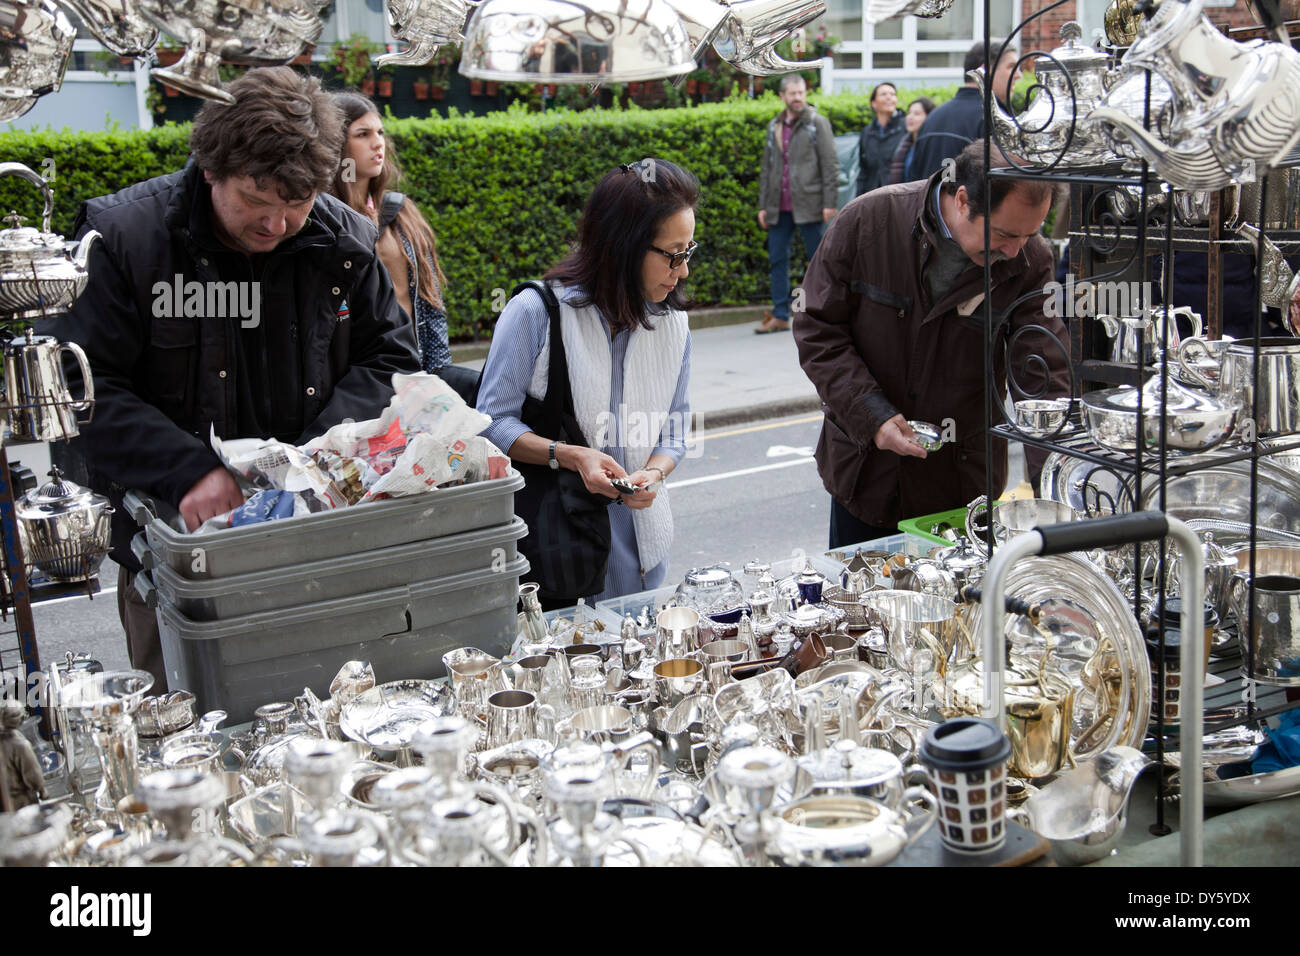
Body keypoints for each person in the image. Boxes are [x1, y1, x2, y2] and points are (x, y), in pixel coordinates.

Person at [48, 68, 421, 691]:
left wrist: (311, 456)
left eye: (296, 206)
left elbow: (394, 360)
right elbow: (78, 387)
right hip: (180, 549)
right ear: (212, 167)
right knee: (190, 724)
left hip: (321, 537)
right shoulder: (124, 238)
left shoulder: (343, 238)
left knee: (335, 712)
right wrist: (187, 469)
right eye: (256, 202)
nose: (276, 226)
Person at [794, 140, 1069, 548]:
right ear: (962, 199)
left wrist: (1054, 494)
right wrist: (873, 417)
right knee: (858, 606)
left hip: (962, 490)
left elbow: (1043, 375)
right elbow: (817, 328)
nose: (1016, 251)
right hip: (868, 477)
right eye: (1007, 234)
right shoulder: (868, 221)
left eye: (1030, 235)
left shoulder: (1030, 258)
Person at [476, 159, 696, 603]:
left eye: (689, 252)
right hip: (557, 551)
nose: (684, 270)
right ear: (624, 246)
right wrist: (573, 456)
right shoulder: (537, 312)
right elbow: (489, 424)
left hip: (644, 554)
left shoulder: (674, 326)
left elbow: (675, 432)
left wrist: (652, 474)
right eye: (674, 255)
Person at [331, 92, 453, 375]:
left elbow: (430, 302)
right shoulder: (322, 221)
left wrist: (439, 377)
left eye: (380, 132)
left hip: (412, 373)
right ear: (335, 143)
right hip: (354, 379)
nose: (378, 143)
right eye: (362, 134)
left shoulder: (400, 212)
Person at [755, 74, 838, 334]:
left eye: (801, 92)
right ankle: (780, 314)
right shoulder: (774, 126)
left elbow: (830, 164)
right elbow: (768, 168)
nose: (798, 97)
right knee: (777, 260)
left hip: (811, 204)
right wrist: (763, 205)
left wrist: (829, 202)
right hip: (779, 207)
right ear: (782, 97)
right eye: (793, 94)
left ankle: (825, 313)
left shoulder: (817, 123)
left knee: (820, 260)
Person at [910, 41, 1022, 182]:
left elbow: (914, 180)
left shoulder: (933, 117)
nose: (1018, 75)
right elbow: (1004, 184)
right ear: (984, 70)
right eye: (1011, 67)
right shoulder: (994, 118)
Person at [855, 82, 906, 197]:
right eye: (883, 94)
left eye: (892, 94)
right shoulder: (867, 132)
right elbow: (863, 170)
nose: (889, 97)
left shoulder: (906, 127)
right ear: (873, 103)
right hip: (873, 195)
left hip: (900, 194)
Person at [1, 699, 45, 812]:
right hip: (22, 802)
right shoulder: (21, 745)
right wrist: (42, 791)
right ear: (21, 719)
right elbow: (33, 775)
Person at [887, 96, 935, 185]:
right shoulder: (903, 143)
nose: (910, 117)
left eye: (916, 114)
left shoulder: (932, 144)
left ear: (929, 117)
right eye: (909, 113)